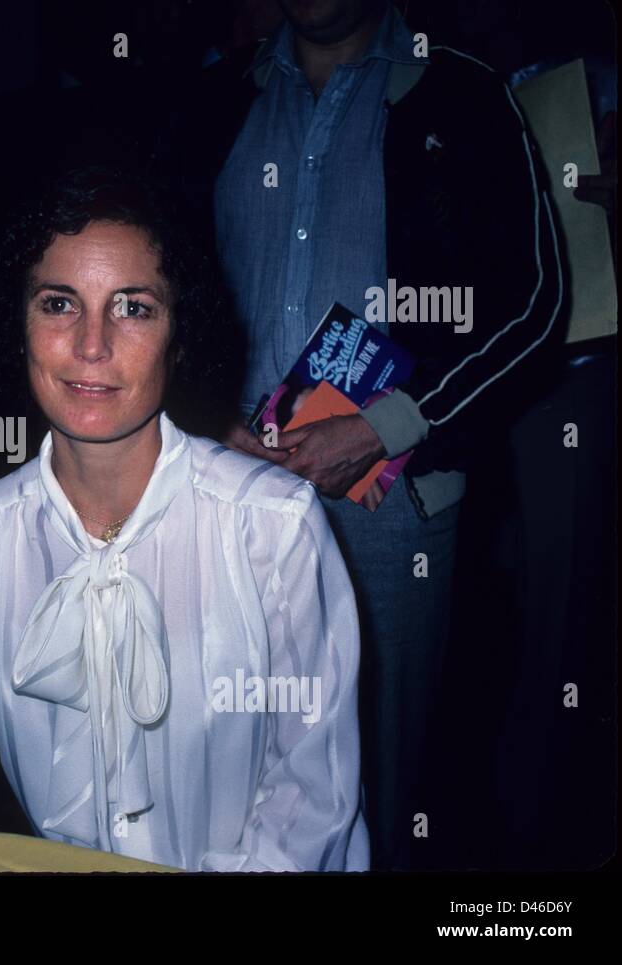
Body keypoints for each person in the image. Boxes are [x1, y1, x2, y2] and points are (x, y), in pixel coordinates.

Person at [155, 0, 566, 869]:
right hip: (229, 488)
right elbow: (164, 283)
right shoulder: (215, 100)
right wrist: (205, 414)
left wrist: (385, 427)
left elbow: (534, 305)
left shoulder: (461, 94)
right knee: (227, 762)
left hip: (390, 507)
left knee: (376, 779)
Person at [0, 168, 370, 872]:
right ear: (17, 325)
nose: (92, 344)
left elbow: (313, 799)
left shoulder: (273, 526)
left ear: (178, 333)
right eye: (58, 304)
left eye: (133, 308)